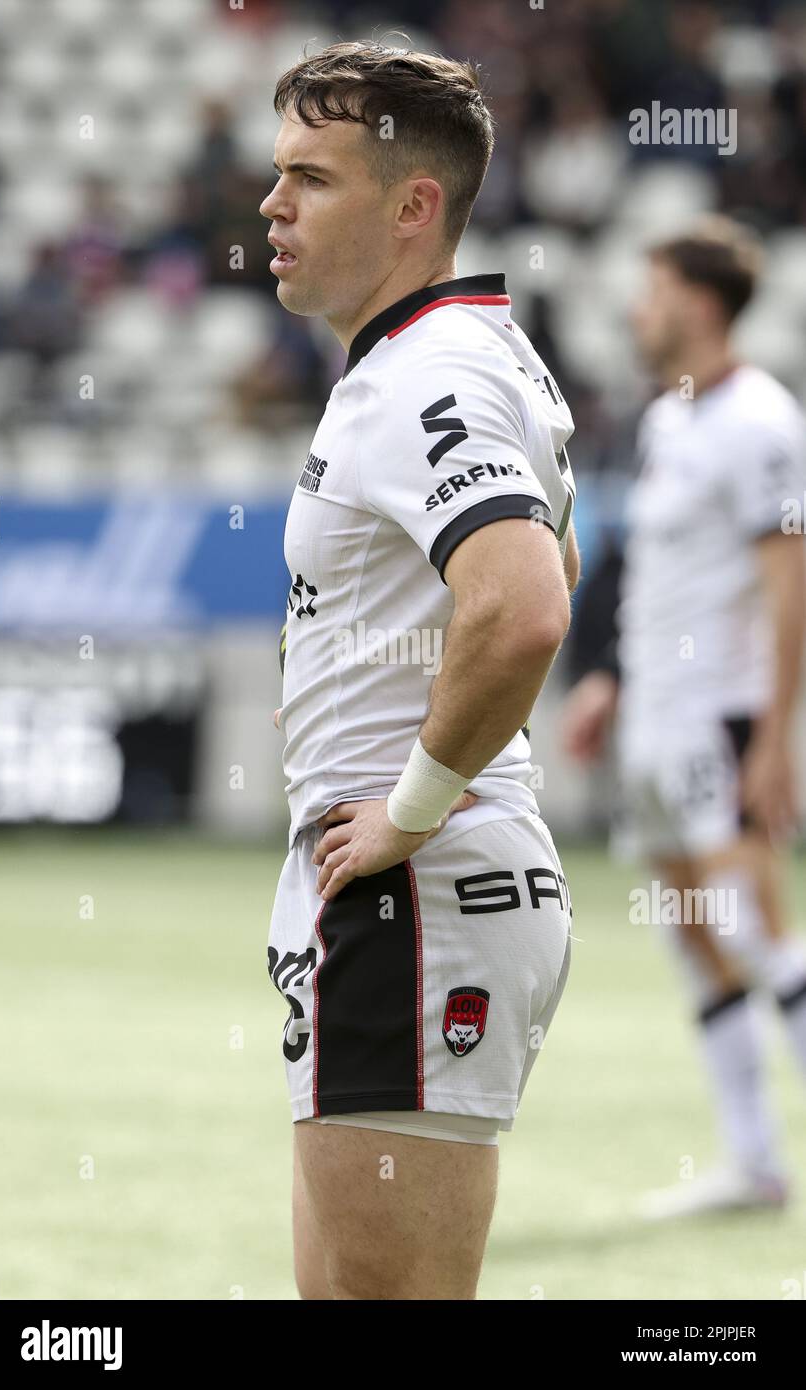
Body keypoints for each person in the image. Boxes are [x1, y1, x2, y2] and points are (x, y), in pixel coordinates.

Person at [261, 41, 578, 1299]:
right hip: (411, 891)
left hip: (415, 895)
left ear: (412, 205)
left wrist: (410, 808)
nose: (271, 208)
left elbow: (523, 608)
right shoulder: (457, 354)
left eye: (310, 179)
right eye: (277, 175)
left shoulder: (430, 374)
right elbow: (550, 557)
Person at [562, 218, 806, 1219]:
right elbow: (651, 570)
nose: (634, 309)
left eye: (651, 290)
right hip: (655, 719)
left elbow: (788, 579)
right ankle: (751, 1165)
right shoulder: (667, 418)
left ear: (699, 305)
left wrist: (777, 736)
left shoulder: (762, 421)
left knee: (752, 928)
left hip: (724, 714)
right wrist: (609, 680)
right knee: (690, 933)